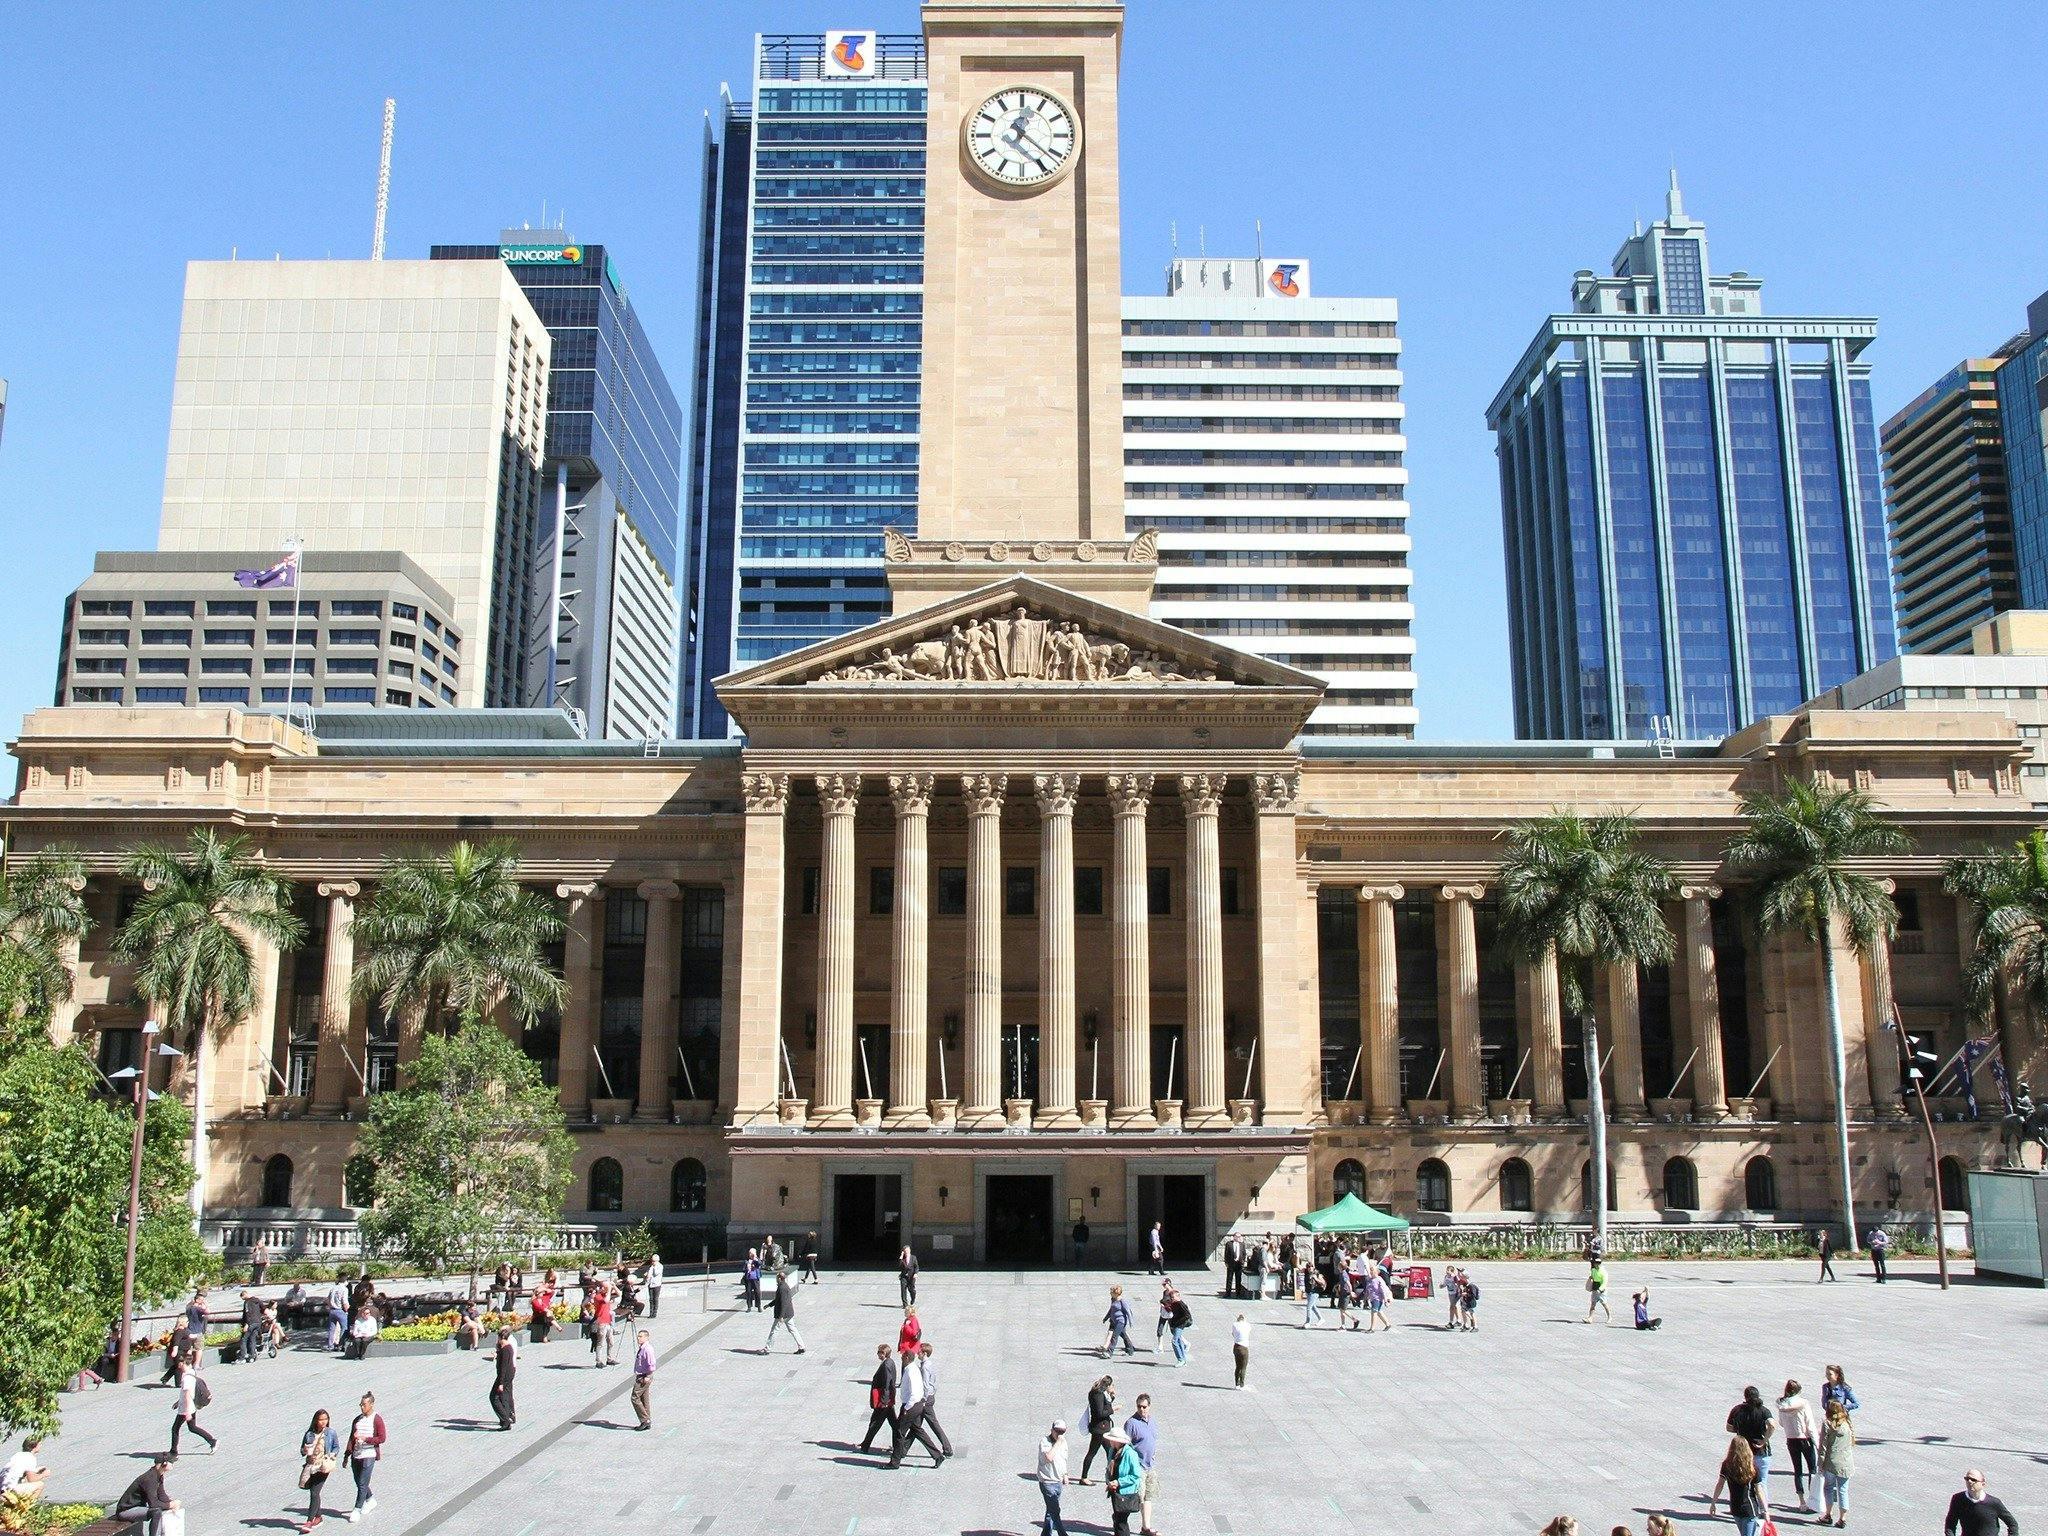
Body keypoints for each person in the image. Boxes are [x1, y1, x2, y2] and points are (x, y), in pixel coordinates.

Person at [887, 1347, 944, 1468]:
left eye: (903, 1357)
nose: (901, 1358)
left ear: (907, 1358)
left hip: (911, 1406)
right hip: (917, 1405)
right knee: (917, 1431)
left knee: (899, 1432)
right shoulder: (913, 1368)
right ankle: (938, 1456)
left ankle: (895, 1462)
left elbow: (914, 1392)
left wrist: (906, 1408)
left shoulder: (910, 1371)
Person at [1727, 1385, 1776, 1513]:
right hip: (1761, 1451)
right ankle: (1763, 1510)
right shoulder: (1763, 1410)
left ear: (1745, 1397)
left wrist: (1740, 1429)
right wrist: (1764, 1440)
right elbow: (1772, 1425)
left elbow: (1729, 1427)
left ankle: (1747, 1507)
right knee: (1761, 1482)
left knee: (1744, 1482)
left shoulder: (1737, 1410)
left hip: (1743, 1451)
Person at [1710, 1434, 1765, 1536]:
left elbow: (1720, 1485)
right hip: (1750, 1508)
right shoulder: (1752, 1467)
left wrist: (1713, 1502)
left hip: (1735, 1507)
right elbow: (1758, 1490)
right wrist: (1764, 1510)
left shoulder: (1727, 1465)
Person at [1778, 1379, 1819, 1514]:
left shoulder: (1782, 1404)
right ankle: (1812, 1499)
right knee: (1812, 1469)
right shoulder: (1803, 1403)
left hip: (1791, 1439)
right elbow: (1810, 1424)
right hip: (1804, 1438)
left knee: (1797, 1470)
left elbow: (1781, 1423)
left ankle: (1801, 1501)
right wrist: (1817, 1443)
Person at [344, 1391, 385, 1521]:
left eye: (364, 1405)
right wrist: (347, 1455)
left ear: (371, 1404)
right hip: (356, 1454)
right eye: (361, 1405)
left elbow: (382, 1438)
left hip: (369, 1454)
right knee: (359, 1481)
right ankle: (370, 1499)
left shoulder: (377, 1419)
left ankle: (357, 1509)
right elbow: (351, 1438)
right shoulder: (357, 1420)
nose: (362, 1407)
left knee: (362, 1483)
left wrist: (366, 1439)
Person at [298, 1408, 340, 1531]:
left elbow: (336, 1447)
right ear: (316, 1420)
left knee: (314, 1492)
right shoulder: (309, 1434)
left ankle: (309, 1521)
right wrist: (305, 1450)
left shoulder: (331, 1433)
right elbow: (302, 1451)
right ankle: (318, 1516)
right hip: (311, 1465)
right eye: (321, 1419)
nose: (323, 1422)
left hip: (323, 1466)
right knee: (314, 1491)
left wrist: (332, 1455)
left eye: (326, 1419)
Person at [115, 1454, 179, 1536]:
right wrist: (169, 1505)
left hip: (137, 1508)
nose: (172, 1464)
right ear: (164, 1463)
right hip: (125, 1511)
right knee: (156, 1511)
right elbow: (153, 1504)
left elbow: (161, 1495)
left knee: (158, 1509)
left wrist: (171, 1502)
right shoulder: (150, 1478)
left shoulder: (158, 1475)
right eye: (171, 1462)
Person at [170, 1350, 217, 1457]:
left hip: (186, 1408)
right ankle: (212, 1441)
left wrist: (187, 1412)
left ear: (183, 1363)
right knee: (192, 1428)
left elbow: (187, 1394)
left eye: (179, 1362)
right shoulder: (191, 1373)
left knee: (175, 1428)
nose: (178, 1364)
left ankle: (173, 1452)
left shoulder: (186, 1378)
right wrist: (178, 1402)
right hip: (191, 1406)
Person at [1945, 1469, 2020, 1536]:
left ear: (1983, 1483)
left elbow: (2012, 1524)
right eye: (1967, 1479)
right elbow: (1950, 1524)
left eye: (1973, 1480)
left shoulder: (1993, 1503)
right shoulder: (1958, 1499)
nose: (1969, 1481)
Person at [1124, 1395, 1159, 1536]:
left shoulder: (1152, 1421)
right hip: (1138, 1466)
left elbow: (1153, 1439)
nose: (1141, 1409)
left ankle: (1146, 1526)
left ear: (1149, 1406)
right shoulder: (1131, 1423)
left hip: (1150, 1465)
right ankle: (1139, 1526)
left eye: (1144, 1407)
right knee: (1140, 1497)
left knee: (1148, 1496)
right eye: (1139, 1406)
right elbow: (1125, 1445)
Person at [1819, 1400, 1855, 1528]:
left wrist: (1820, 1463)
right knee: (1843, 1490)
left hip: (1831, 1462)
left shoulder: (1827, 1423)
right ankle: (1842, 1518)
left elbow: (1823, 1445)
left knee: (1828, 1488)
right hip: (1846, 1462)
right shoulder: (1847, 1422)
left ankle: (1828, 1515)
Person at [1102, 1426, 1142, 1536]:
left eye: (1111, 1439)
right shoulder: (1112, 1451)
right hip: (1115, 1491)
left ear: (1117, 1441)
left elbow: (1136, 1475)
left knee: (1121, 1521)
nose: (1109, 1441)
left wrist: (1119, 1482)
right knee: (1117, 1518)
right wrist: (1109, 1481)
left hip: (1126, 1493)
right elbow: (1109, 1468)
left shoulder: (1130, 1454)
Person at [860, 1345, 899, 1454]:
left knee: (875, 1423)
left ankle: (865, 1445)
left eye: (879, 1352)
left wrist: (884, 1400)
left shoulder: (886, 1365)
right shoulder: (890, 1362)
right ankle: (897, 1446)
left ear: (884, 1353)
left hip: (884, 1401)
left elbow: (887, 1383)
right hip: (888, 1400)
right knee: (894, 1424)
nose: (878, 1354)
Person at [1078, 1376, 1117, 1485]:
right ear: (1107, 1385)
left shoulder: (1101, 1393)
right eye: (1112, 1385)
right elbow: (1100, 1413)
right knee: (1092, 1452)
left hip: (1102, 1429)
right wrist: (1113, 1410)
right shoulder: (1098, 1395)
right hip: (1099, 1430)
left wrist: (1112, 1397)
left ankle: (1112, 1476)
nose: (1113, 1387)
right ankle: (1084, 1477)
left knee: (1110, 1452)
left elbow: (1105, 1405)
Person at [918, 1341, 954, 1458]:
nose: (917, 1353)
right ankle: (902, 1450)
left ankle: (947, 1448)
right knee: (915, 1426)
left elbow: (925, 1384)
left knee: (933, 1424)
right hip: (930, 1396)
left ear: (924, 1353)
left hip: (926, 1399)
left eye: (919, 1351)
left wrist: (923, 1400)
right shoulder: (929, 1363)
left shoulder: (925, 1367)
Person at [1037, 1420, 1071, 1536]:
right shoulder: (1045, 1441)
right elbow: (1049, 1457)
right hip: (1047, 1481)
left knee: (1050, 1511)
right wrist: (1058, 1443)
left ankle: (1046, 1534)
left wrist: (1065, 1474)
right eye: (1058, 1431)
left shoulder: (1063, 1442)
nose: (1060, 1434)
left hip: (1058, 1481)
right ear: (1052, 1430)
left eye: (1062, 1432)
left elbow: (1064, 1459)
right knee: (1055, 1511)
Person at [765, 1266, 805, 1353]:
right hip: (789, 1313)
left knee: (774, 1331)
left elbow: (783, 1303)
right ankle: (801, 1347)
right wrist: (769, 1305)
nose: (776, 1279)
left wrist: (781, 1316)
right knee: (793, 1329)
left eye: (777, 1278)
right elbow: (778, 1300)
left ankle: (767, 1349)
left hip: (783, 1314)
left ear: (780, 1278)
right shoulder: (784, 1286)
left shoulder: (782, 1288)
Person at [2, 1435, 47, 1503]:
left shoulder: (18, 1455)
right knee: (40, 1485)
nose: (41, 1446)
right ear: (34, 1446)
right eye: (40, 1444)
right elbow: (31, 1480)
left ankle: (17, 1504)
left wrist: (36, 1470)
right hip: (10, 1489)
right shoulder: (31, 1458)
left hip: (3, 1487)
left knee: (23, 1481)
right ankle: (27, 1506)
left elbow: (21, 1471)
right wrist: (44, 1475)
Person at [490, 1326, 517, 1431]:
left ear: (500, 1338)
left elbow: (503, 1367)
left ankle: (505, 1421)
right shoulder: (508, 1347)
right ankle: (507, 1418)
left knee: (494, 1397)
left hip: (505, 1376)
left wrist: (500, 1383)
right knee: (504, 1396)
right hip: (509, 1374)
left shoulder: (505, 1349)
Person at [630, 1329, 655, 1431]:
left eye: (641, 1336)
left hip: (644, 1376)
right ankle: (647, 1421)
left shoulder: (647, 1349)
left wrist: (648, 1376)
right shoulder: (642, 1348)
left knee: (634, 1397)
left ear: (646, 1337)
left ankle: (645, 1420)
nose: (638, 1338)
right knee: (644, 1399)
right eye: (638, 1336)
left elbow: (651, 1364)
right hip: (642, 1375)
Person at [589, 1279, 617, 1367]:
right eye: (605, 1287)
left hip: (608, 1322)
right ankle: (598, 1361)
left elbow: (619, 1294)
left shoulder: (606, 1294)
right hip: (601, 1322)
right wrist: (609, 1289)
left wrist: (614, 1286)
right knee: (600, 1342)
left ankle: (609, 1359)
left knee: (611, 1342)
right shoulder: (598, 1296)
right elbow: (606, 1301)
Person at [1166, 1287, 1193, 1366]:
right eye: (1171, 1297)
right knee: (1179, 1341)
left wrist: (1179, 1322)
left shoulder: (1181, 1304)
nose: (1172, 1299)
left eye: (1173, 1297)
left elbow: (1187, 1315)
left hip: (1180, 1325)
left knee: (1174, 1341)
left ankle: (1180, 1359)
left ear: (1178, 1297)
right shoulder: (1174, 1303)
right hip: (1175, 1324)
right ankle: (1183, 1360)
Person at [240, 1289, 267, 1363]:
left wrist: (246, 1324)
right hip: (258, 1322)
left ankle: (243, 1357)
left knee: (243, 1339)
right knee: (252, 1339)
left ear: (244, 1295)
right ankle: (252, 1357)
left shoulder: (247, 1302)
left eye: (243, 1298)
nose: (243, 1299)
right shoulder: (257, 1300)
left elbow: (247, 1314)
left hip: (251, 1323)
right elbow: (264, 1309)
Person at [326, 1275, 350, 1352]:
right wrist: (347, 1310)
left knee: (331, 1329)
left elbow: (327, 1299)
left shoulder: (333, 1288)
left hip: (332, 1310)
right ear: (346, 1281)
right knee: (344, 1328)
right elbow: (344, 1301)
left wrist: (330, 1307)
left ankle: (330, 1345)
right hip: (340, 1310)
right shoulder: (344, 1289)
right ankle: (341, 1345)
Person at [1363, 1264, 1391, 1331]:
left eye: (1372, 1270)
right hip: (1372, 1298)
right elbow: (1367, 1289)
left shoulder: (1379, 1279)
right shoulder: (1369, 1279)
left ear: (1376, 1271)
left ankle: (1372, 1328)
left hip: (1378, 1298)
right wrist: (1365, 1298)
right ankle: (1387, 1324)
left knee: (1374, 1312)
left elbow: (1383, 1290)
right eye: (1370, 1270)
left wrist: (1385, 1300)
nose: (1370, 1272)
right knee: (1379, 1311)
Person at [1585, 1259, 1611, 1323]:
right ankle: (1590, 1318)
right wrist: (1590, 1280)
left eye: (1599, 1263)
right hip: (1595, 1289)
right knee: (1593, 1304)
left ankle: (1609, 1317)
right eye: (1596, 1263)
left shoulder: (1603, 1271)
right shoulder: (1593, 1270)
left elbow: (1605, 1282)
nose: (1597, 1264)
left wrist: (1600, 1289)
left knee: (1604, 1304)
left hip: (1601, 1290)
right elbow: (1592, 1278)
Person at [1231, 1313, 1250, 1388]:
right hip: (1244, 1348)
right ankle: (1242, 1384)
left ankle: (1237, 1384)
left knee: (1238, 1366)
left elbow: (1233, 1334)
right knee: (1243, 1367)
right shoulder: (1247, 1325)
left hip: (1236, 1347)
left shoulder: (1234, 1325)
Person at [1223, 1232, 1244, 1298]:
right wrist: (1226, 1262)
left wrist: (1243, 1261)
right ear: (1234, 1237)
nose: (1238, 1238)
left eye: (1239, 1236)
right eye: (1237, 1236)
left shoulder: (1242, 1244)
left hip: (1239, 1264)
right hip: (1231, 1263)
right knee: (1229, 1278)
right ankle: (1228, 1293)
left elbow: (1243, 1253)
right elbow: (1226, 1253)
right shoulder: (1229, 1244)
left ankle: (1238, 1294)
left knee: (1238, 1279)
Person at [1246, 1236, 1267, 1301]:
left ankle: (1262, 1294)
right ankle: (1262, 1295)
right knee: (1263, 1281)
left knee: (1263, 1281)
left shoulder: (1259, 1251)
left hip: (1257, 1268)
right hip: (1261, 1268)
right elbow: (1263, 1260)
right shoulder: (1263, 1250)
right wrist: (1267, 1267)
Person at [645, 1254, 663, 1319]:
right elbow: (649, 1275)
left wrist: (653, 1267)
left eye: (654, 1261)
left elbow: (656, 1273)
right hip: (650, 1284)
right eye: (652, 1261)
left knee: (655, 1299)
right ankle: (651, 1312)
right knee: (651, 1299)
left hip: (657, 1284)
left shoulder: (660, 1266)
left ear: (657, 1261)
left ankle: (655, 1312)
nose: (652, 1262)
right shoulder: (651, 1266)